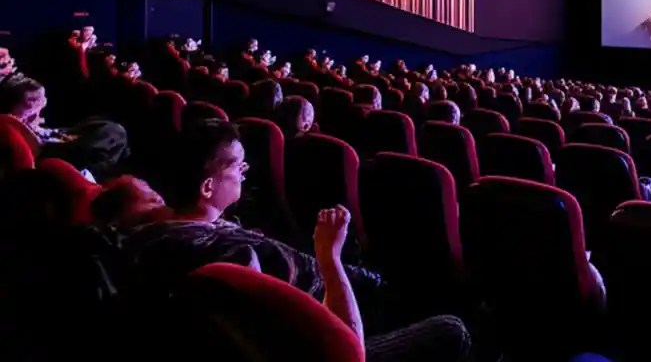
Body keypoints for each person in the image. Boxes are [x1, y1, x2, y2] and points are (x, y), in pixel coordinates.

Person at [116, 121, 470, 360]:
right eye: (237, 166)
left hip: (344, 291)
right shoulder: (235, 257)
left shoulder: (152, 234)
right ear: (207, 187)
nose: (246, 170)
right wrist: (329, 256)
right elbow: (342, 347)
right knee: (452, 329)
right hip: (346, 321)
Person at [0, 77, 129, 180]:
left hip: (53, 137)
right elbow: (35, 148)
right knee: (115, 133)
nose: (41, 103)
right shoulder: (10, 126)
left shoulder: (26, 118)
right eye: (33, 101)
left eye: (42, 100)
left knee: (100, 124)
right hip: (51, 154)